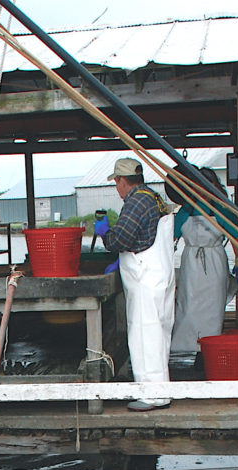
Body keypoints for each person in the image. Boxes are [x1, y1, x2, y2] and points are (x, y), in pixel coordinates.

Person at [99, 157, 175, 410]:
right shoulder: (153, 197)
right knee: (158, 334)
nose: (117, 188)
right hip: (159, 274)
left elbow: (120, 239)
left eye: (116, 183)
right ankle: (160, 391)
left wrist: (105, 234)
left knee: (145, 335)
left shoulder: (136, 201)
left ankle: (151, 395)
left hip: (146, 278)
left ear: (122, 180)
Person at [170, 169, 236, 359]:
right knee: (188, 305)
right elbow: (171, 238)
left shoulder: (221, 209)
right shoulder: (186, 210)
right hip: (191, 262)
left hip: (214, 261)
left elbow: (237, 238)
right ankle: (185, 348)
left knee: (212, 309)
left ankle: (209, 349)